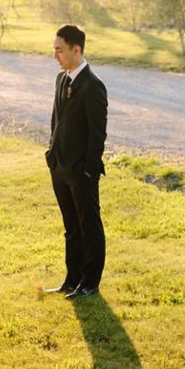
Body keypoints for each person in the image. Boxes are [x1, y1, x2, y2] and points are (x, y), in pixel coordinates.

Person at [44, 24, 108, 300]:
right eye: (54, 49)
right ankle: (72, 279)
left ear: (76, 49)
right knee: (71, 225)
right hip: (59, 166)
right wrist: (51, 153)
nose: (55, 55)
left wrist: (89, 169)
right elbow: (56, 121)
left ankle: (90, 282)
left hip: (81, 170)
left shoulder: (93, 86)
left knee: (88, 225)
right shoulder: (61, 79)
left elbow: (98, 133)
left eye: (59, 50)